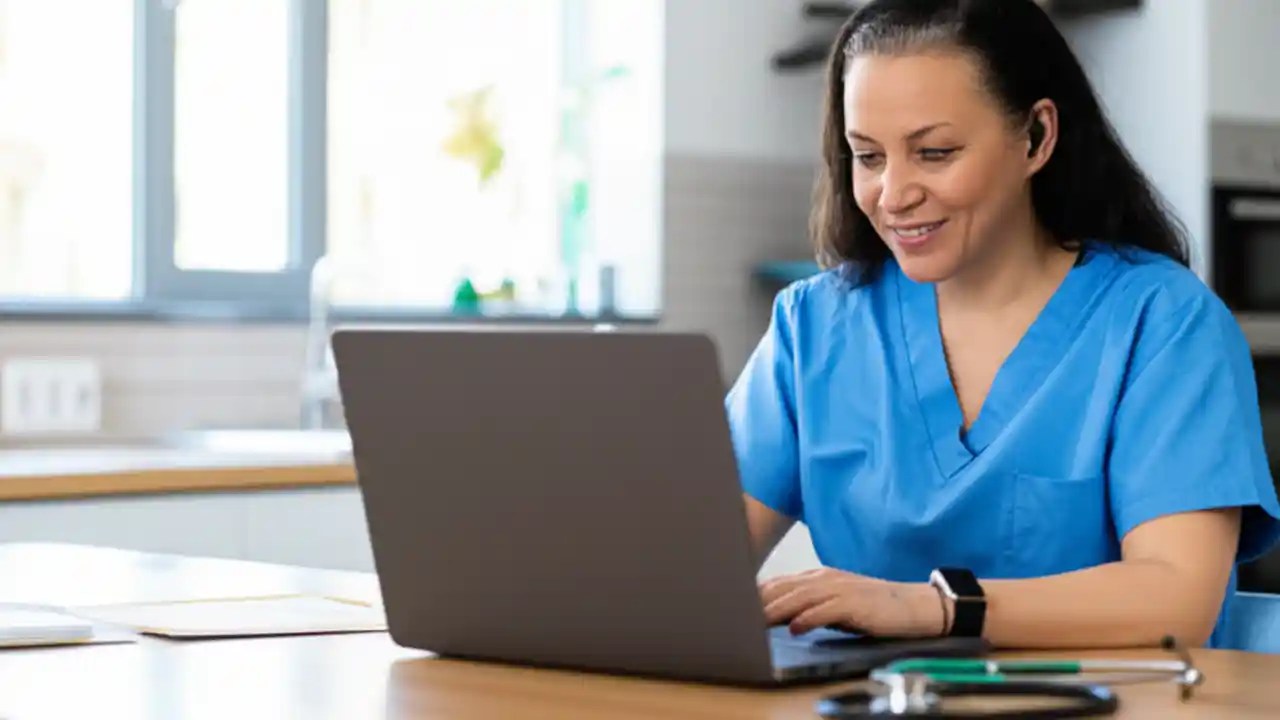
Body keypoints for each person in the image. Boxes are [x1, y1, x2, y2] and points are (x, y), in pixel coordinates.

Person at [728, 0, 1280, 650]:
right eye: (868, 157)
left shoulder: (1163, 325)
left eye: (935, 153)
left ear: (1037, 137)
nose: (894, 193)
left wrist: (934, 606)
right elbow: (689, 567)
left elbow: (1176, 597)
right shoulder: (812, 328)